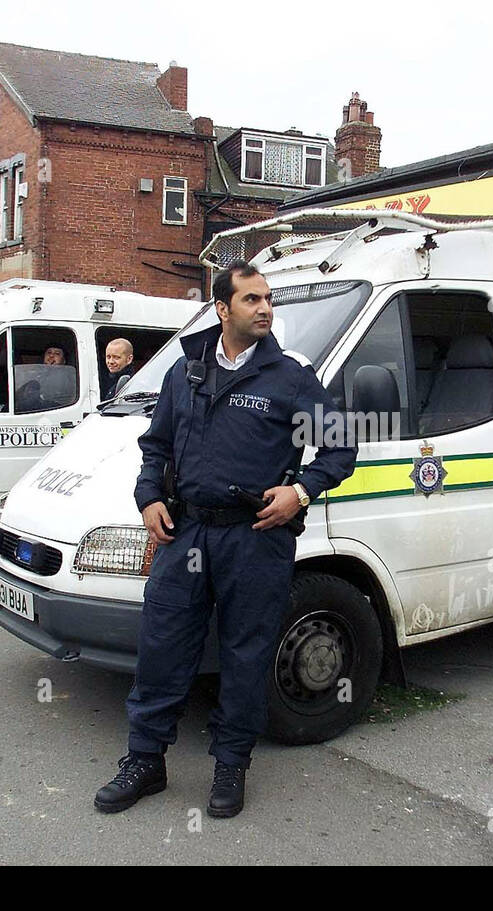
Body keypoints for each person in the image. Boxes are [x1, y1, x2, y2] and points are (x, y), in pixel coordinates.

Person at [95, 262, 357, 819]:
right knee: (162, 648)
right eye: (252, 299)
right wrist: (149, 499)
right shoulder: (184, 372)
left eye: (268, 299)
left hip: (255, 538)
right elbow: (156, 446)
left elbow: (339, 448)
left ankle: (230, 765)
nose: (265, 308)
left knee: (246, 653)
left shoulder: (289, 378)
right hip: (184, 533)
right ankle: (145, 761)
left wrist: (301, 493)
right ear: (222, 309)